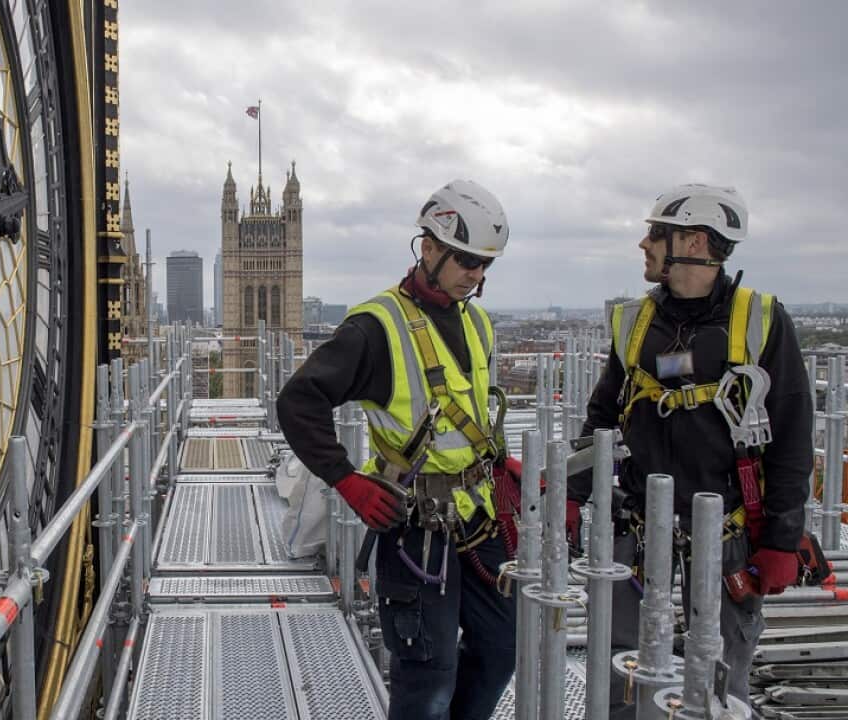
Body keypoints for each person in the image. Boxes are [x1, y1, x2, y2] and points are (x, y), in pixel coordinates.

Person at [568, 184, 812, 714]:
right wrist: (572, 492)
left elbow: (792, 439)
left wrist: (782, 539)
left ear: (696, 242)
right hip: (638, 527)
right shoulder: (636, 322)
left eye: (656, 233)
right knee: (621, 668)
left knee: (721, 673)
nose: (643, 244)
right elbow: (603, 417)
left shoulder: (761, 320)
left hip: (726, 532)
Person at [278, 180, 516, 720]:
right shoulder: (376, 327)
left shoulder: (475, 321)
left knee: (501, 649)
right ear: (428, 247)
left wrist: (498, 465)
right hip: (416, 528)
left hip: (476, 520)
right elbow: (298, 402)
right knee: (427, 678)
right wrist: (346, 479)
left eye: (485, 266)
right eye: (466, 261)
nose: (476, 276)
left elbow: (467, 409)